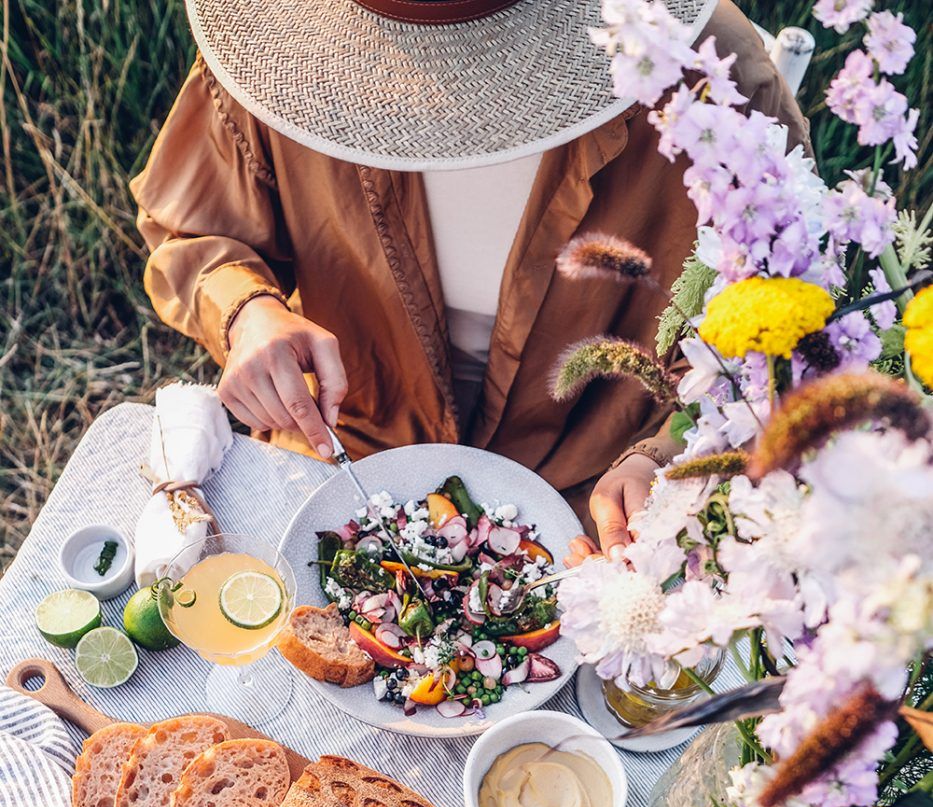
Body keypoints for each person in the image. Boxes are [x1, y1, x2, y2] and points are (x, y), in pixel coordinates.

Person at [132, 0, 808, 558]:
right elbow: (194, 231)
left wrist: (665, 456)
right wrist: (248, 310)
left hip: (600, 490)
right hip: (345, 448)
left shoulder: (706, 74)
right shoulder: (276, 51)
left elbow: (784, 328)